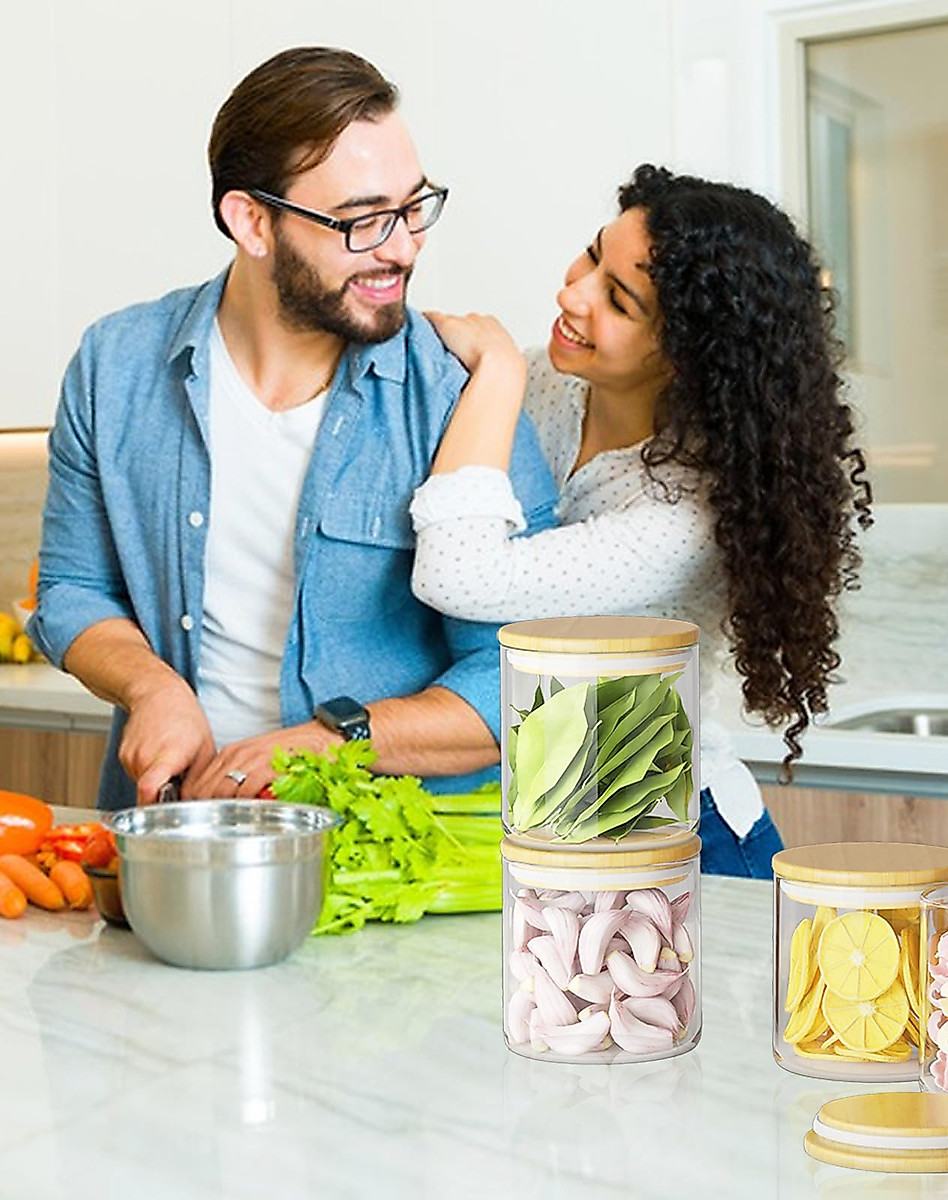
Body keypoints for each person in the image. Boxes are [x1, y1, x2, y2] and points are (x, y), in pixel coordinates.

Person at [30, 47, 556, 810]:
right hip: (179, 833)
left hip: (391, 862)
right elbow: (75, 588)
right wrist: (151, 687)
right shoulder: (115, 366)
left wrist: (328, 741)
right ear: (251, 220)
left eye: (413, 208)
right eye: (364, 220)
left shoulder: (455, 397)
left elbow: (528, 680)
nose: (403, 247)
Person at [409, 164, 872, 877]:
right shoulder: (548, 386)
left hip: (690, 843)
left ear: (689, 357)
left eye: (619, 301)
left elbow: (457, 575)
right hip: (569, 833)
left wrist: (493, 373)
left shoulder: (688, 516)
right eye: (593, 255)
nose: (572, 293)